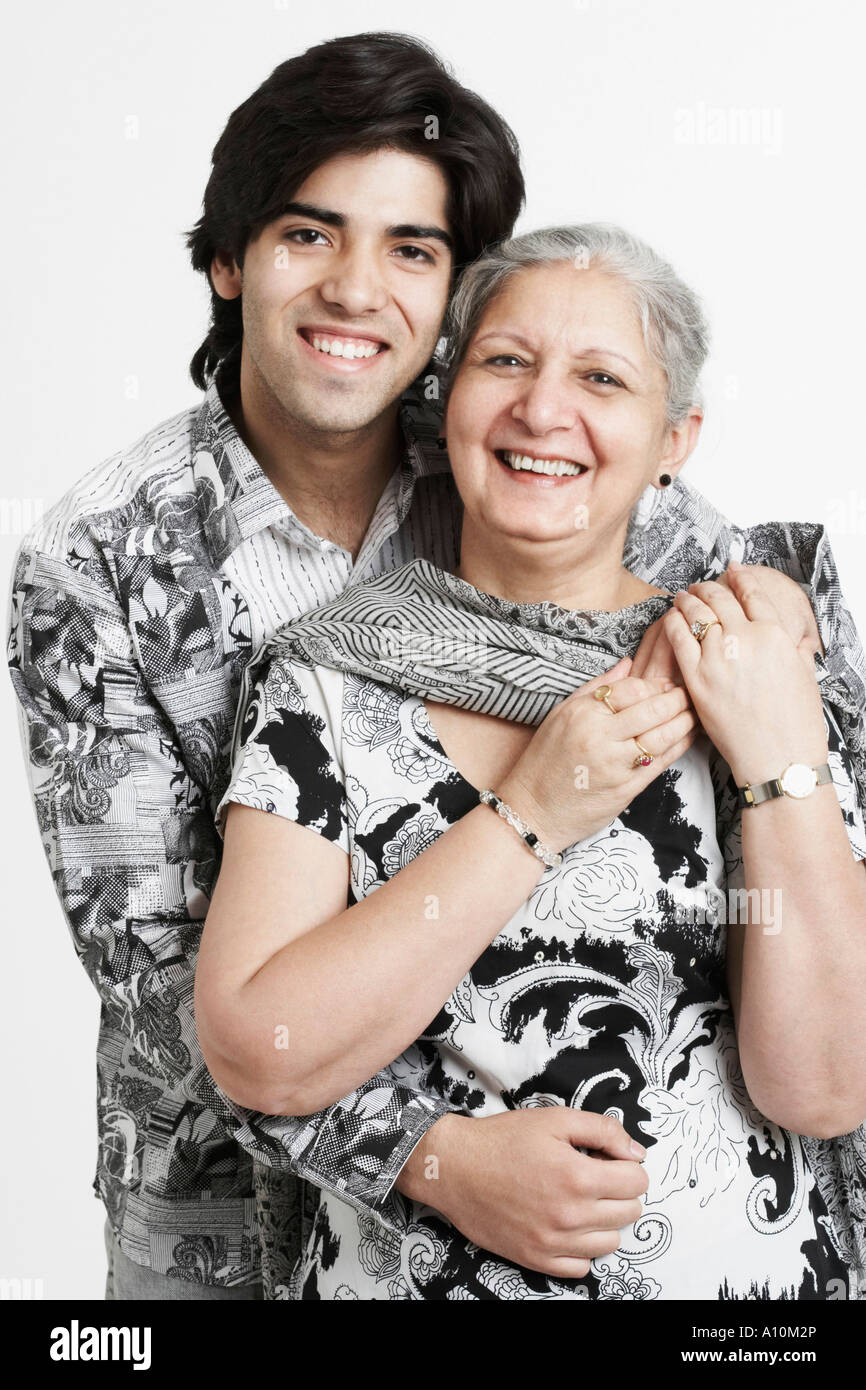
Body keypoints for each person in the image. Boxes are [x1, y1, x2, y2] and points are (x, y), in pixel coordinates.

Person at [6, 34, 838, 1299]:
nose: (355, 288)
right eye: (306, 234)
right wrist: (435, 1159)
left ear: (455, 295)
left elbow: (729, 601)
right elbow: (168, 977)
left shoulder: (513, 447)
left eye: (412, 249)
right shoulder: (105, 555)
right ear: (227, 261)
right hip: (228, 1219)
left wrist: (782, 620)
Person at [197, 223, 866, 1301]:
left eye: (600, 378)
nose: (542, 410)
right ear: (448, 397)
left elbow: (825, 1085)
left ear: (673, 439)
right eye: (504, 362)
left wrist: (781, 749)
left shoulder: (752, 666)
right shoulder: (327, 680)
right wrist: (530, 814)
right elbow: (263, 1048)